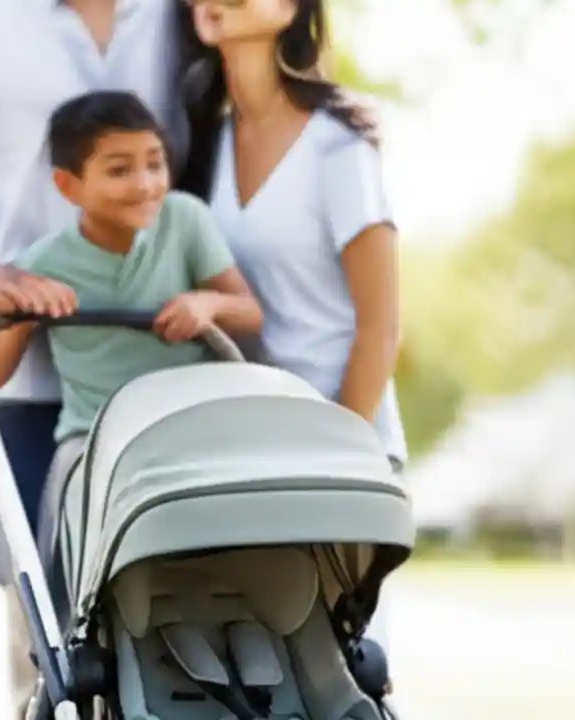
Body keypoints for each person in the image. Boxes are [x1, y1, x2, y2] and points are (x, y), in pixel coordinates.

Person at [0, 1, 186, 714]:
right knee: (48, 644)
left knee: (192, 619)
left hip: (175, 375)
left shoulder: (187, 14)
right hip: (33, 379)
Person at [175, 0, 407, 662]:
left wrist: (333, 459)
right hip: (248, 460)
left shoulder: (338, 143)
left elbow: (380, 327)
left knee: (341, 675)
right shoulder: (204, 146)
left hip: (342, 455)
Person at [0, 90, 262, 483]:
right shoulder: (43, 265)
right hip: (92, 441)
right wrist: (17, 310)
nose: (145, 185)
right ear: (68, 186)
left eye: (155, 164)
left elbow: (250, 315)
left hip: (189, 428)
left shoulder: (185, 221)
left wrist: (209, 305)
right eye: (119, 171)